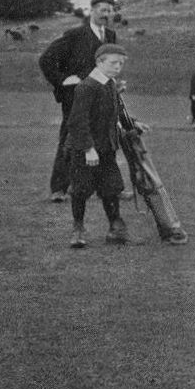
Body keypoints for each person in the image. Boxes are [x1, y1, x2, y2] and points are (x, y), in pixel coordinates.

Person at [39, 0, 117, 203]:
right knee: (69, 138)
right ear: (92, 11)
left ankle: (104, 187)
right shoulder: (75, 35)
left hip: (101, 96)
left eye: (110, 10)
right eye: (102, 9)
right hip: (75, 97)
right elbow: (46, 59)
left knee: (102, 137)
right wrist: (62, 80)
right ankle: (59, 188)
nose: (106, 14)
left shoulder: (110, 35)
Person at [66, 44, 132, 248]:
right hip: (85, 150)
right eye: (113, 63)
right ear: (99, 62)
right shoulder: (87, 87)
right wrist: (88, 149)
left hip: (107, 148)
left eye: (121, 63)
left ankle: (115, 227)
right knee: (80, 189)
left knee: (110, 188)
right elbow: (77, 121)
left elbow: (114, 112)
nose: (118, 67)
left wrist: (133, 123)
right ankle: (78, 229)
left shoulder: (110, 84)